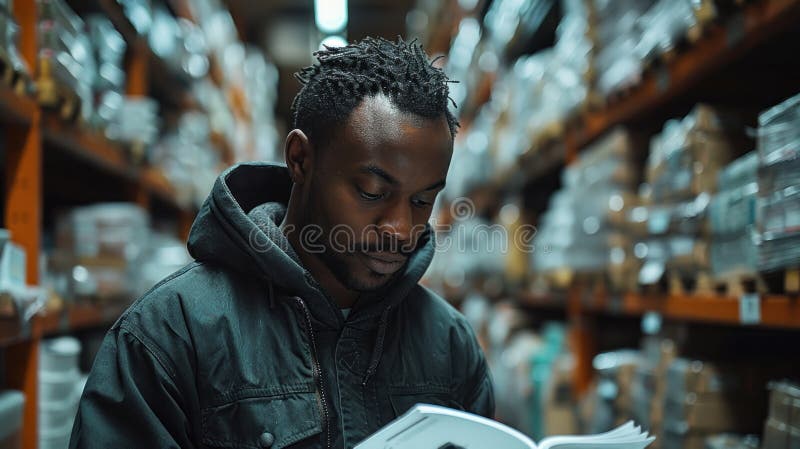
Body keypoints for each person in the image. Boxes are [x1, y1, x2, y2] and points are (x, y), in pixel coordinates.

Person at [70, 36, 494, 449]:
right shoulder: (169, 336)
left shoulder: (450, 345)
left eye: (423, 200)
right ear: (300, 159)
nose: (401, 229)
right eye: (370, 191)